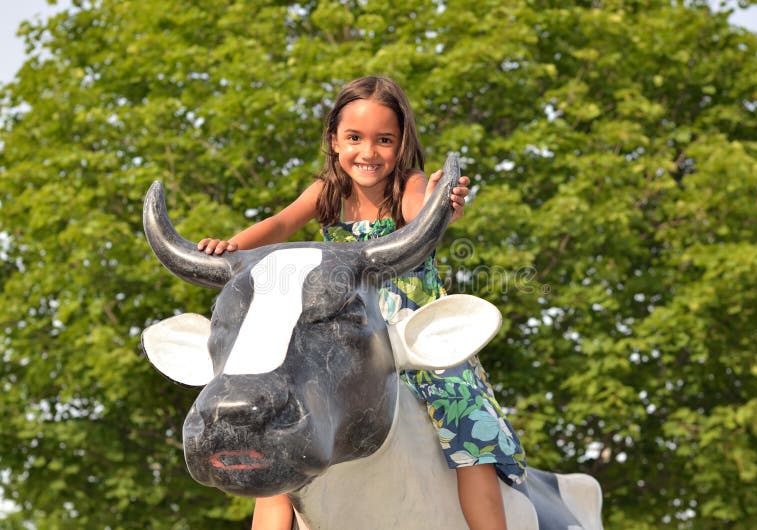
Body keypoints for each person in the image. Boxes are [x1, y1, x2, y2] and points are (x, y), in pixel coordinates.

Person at [197, 76, 527, 530]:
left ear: (402, 144)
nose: (368, 153)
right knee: (279, 422)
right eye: (354, 138)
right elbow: (278, 225)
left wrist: (441, 205)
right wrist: (230, 249)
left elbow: (420, 212)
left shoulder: (409, 185)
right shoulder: (326, 192)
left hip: (409, 335)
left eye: (384, 140)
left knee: (471, 434)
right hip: (346, 335)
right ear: (334, 141)